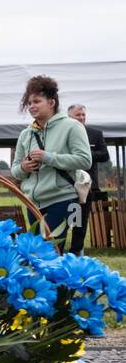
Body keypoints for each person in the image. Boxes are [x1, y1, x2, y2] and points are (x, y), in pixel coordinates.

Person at [12, 76, 91, 253]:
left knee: (47, 250)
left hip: (63, 198)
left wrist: (49, 157)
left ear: (51, 102)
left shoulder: (72, 127)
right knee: (37, 252)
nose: (32, 106)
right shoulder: (26, 134)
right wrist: (23, 168)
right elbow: (15, 170)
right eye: (29, 102)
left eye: (37, 101)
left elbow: (85, 160)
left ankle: (58, 279)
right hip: (32, 202)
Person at [67, 103, 110, 253]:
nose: (81, 117)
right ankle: (56, 251)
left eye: (83, 114)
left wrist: (84, 156)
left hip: (86, 185)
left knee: (80, 221)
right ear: (69, 117)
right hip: (65, 184)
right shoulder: (63, 134)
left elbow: (104, 155)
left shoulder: (95, 134)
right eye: (77, 115)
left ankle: (75, 252)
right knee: (64, 219)